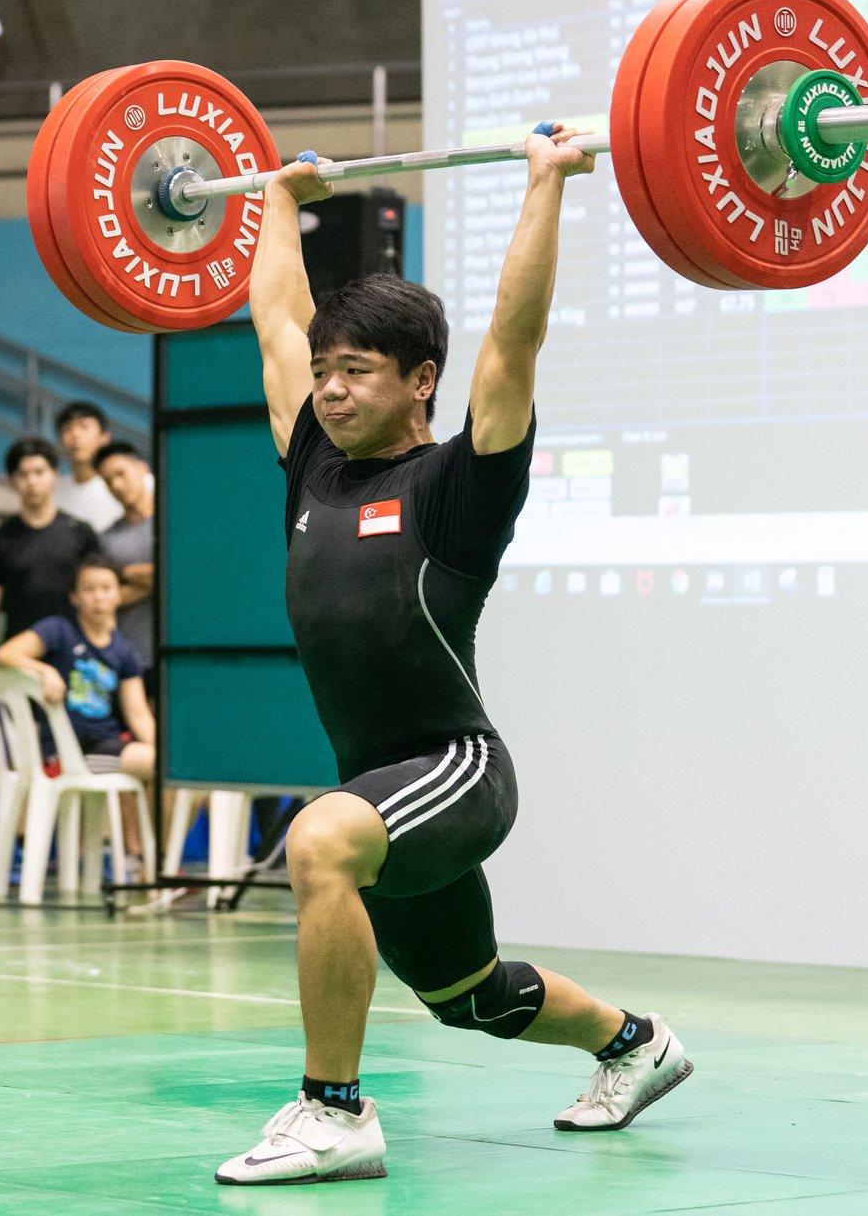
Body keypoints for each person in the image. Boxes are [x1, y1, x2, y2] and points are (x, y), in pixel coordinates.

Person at [213, 133, 692, 1188]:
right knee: (470, 995)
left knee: (319, 843)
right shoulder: (315, 471)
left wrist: (544, 185)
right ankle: (636, 1043)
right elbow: (273, 324)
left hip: (458, 767)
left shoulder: (456, 488)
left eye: (358, 373)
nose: (330, 391)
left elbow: (512, 347)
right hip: (385, 782)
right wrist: (278, 201)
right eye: (327, 374)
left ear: (420, 379)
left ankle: (334, 1112)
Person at [0, 556, 155, 862]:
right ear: (75, 597)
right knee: (148, 764)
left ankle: (138, 856)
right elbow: (5, 655)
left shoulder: (123, 651)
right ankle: (139, 857)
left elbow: (138, 714)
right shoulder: (57, 630)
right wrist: (43, 670)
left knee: (163, 765)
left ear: (118, 595)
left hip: (104, 744)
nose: (98, 596)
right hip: (66, 750)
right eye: (90, 589)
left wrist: (164, 748)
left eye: (106, 588)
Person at [0, 438, 99, 660]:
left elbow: (99, 594)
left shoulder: (80, 533)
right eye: (23, 474)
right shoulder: (0, 537)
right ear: (11, 480)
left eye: (39, 472)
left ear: (54, 474)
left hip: (76, 654)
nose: (32, 481)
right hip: (18, 655)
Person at [92, 442, 156, 675]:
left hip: (184, 648)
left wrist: (123, 572)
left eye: (121, 474)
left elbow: (185, 574)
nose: (117, 485)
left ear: (142, 468)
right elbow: (110, 598)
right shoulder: (107, 539)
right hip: (131, 656)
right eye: (108, 481)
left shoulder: (174, 524)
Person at [52, 401, 125, 532]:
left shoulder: (121, 485)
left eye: (84, 427)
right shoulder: (53, 490)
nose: (75, 435)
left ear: (104, 438)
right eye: (67, 429)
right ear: (60, 443)